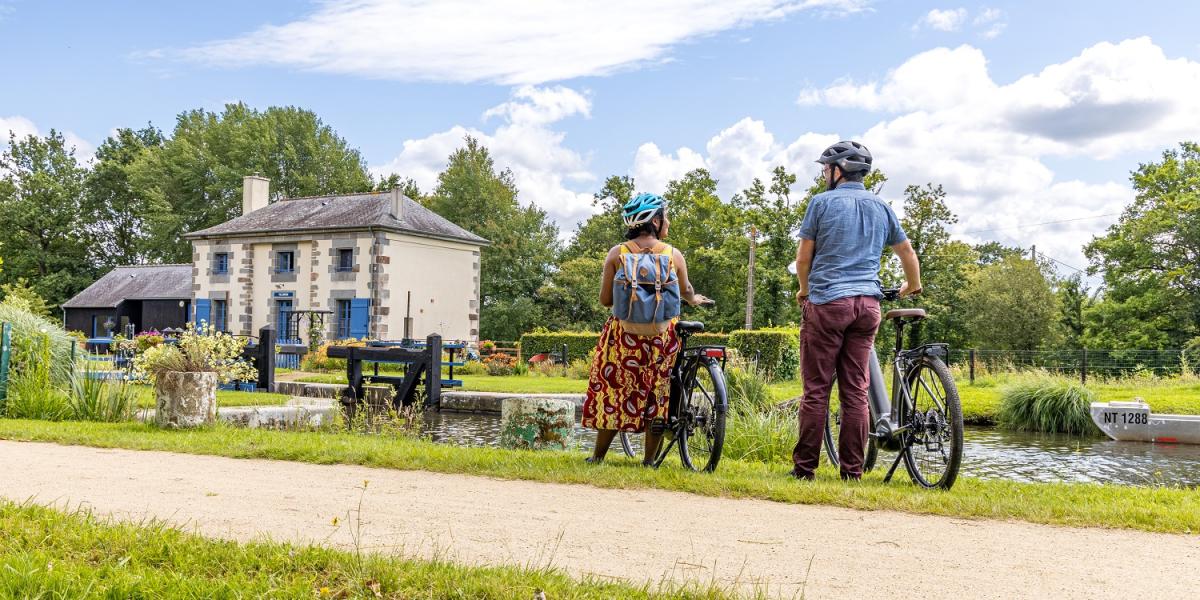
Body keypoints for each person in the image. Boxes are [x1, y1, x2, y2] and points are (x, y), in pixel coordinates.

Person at [792, 141, 922, 481]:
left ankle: (805, 469)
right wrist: (912, 285)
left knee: (817, 389)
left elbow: (803, 258)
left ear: (838, 171)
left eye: (825, 169)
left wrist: (804, 290)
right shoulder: (881, 207)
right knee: (855, 390)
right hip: (867, 306)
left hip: (828, 303)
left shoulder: (820, 203)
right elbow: (907, 251)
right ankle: (852, 471)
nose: (823, 175)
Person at [583, 193, 712, 465]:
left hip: (623, 339)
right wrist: (693, 298)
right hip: (661, 339)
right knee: (658, 393)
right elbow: (686, 291)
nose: (668, 222)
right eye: (665, 216)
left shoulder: (617, 253)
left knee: (614, 392)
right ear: (655, 220)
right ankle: (649, 461)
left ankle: (597, 457)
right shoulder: (672, 254)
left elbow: (606, 300)